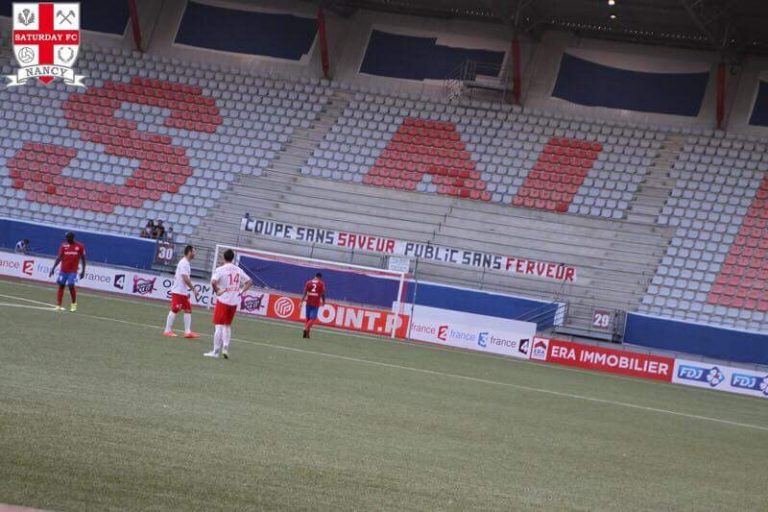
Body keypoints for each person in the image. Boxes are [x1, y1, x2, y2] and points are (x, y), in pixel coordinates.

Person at [206, 249, 252, 359]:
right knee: (227, 325)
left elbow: (213, 282)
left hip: (223, 300)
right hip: (234, 301)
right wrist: (241, 291)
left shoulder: (220, 269)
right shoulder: (238, 269)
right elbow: (250, 281)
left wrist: (217, 290)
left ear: (223, 257)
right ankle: (225, 347)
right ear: (232, 258)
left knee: (219, 325)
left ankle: (215, 351)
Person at [163, 245, 201, 339]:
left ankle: (187, 332)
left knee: (188, 309)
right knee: (175, 309)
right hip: (178, 291)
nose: (195, 254)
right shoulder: (184, 263)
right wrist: (193, 289)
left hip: (182, 292)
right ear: (189, 252)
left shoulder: (186, 263)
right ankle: (167, 331)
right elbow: (185, 278)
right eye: (194, 251)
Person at [48, 232, 86, 312]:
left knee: (71, 284)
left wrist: (83, 270)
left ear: (72, 238)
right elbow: (59, 258)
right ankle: (58, 305)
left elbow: (83, 259)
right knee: (61, 285)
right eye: (66, 237)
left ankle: (73, 304)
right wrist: (53, 268)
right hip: (63, 270)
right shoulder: (63, 246)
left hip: (73, 271)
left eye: (68, 237)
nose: (67, 239)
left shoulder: (80, 246)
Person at [301, 272, 326, 339]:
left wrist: (301, 301)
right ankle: (306, 329)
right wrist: (323, 301)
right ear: (320, 277)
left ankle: (307, 334)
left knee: (308, 318)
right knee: (313, 318)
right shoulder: (321, 283)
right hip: (315, 303)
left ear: (315, 276)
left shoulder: (308, 282)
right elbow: (323, 294)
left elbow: (305, 292)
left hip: (308, 302)